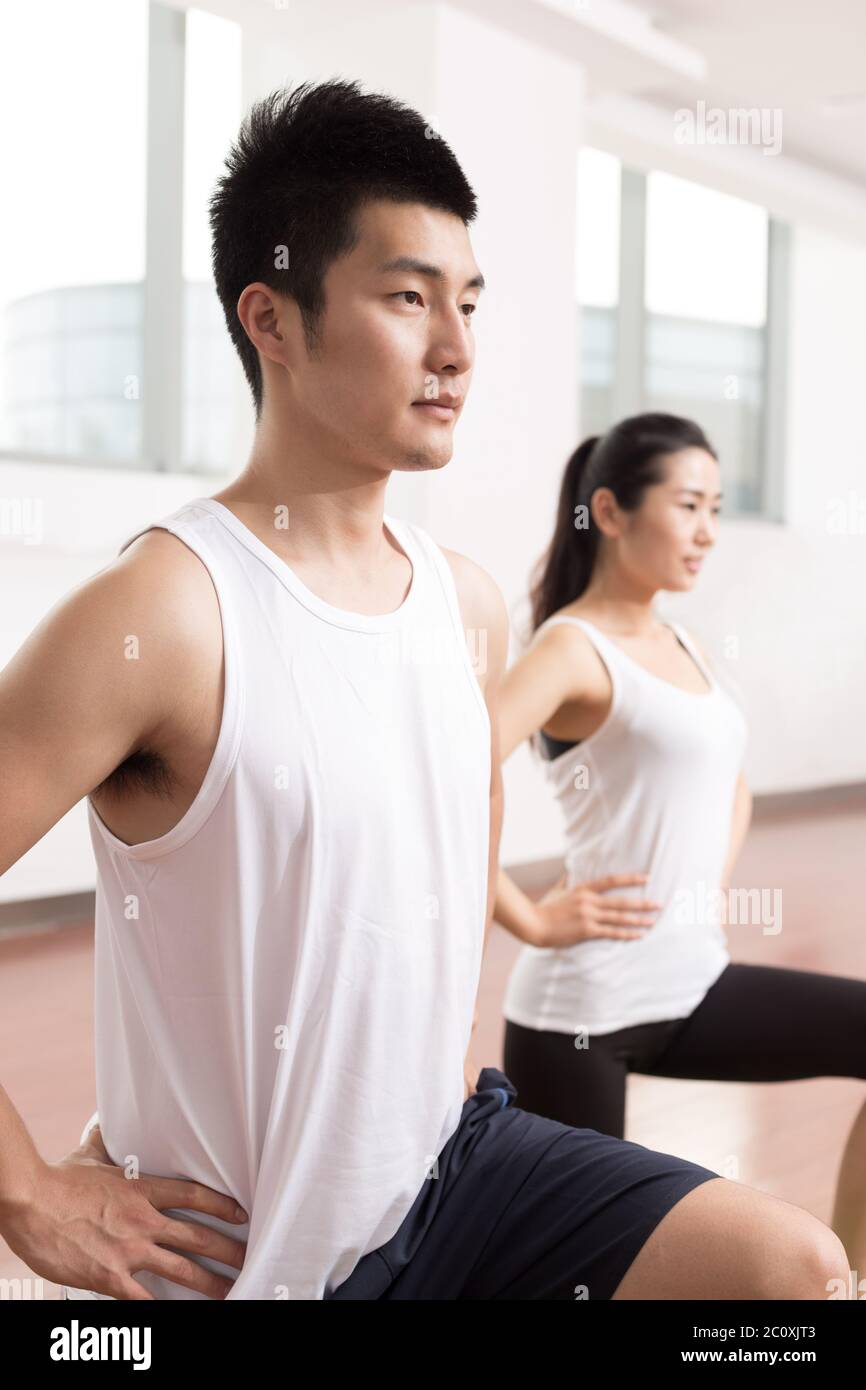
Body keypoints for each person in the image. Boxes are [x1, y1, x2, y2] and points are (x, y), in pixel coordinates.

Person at [0, 83, 850, 1301]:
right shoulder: (164, 611)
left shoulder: (465, 604)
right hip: (251, 1255)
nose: (455, 347)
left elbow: (452, 863)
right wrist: (27, 1192)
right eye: (406, 298)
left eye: (467, 303)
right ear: (273, 319)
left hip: (458, 1166)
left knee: (791, 1279)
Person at [494, 413, 866, 1274]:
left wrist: (697, 883)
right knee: (580, 1272)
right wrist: (529, 919)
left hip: (689, 983)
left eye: (718, 507)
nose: (708, 531)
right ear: (613, 513)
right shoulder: (573, 647)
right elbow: (446, 781)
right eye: (689, 505)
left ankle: (847, 1283)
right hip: (580, 1014)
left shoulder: (681, 641)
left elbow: (728, 784)